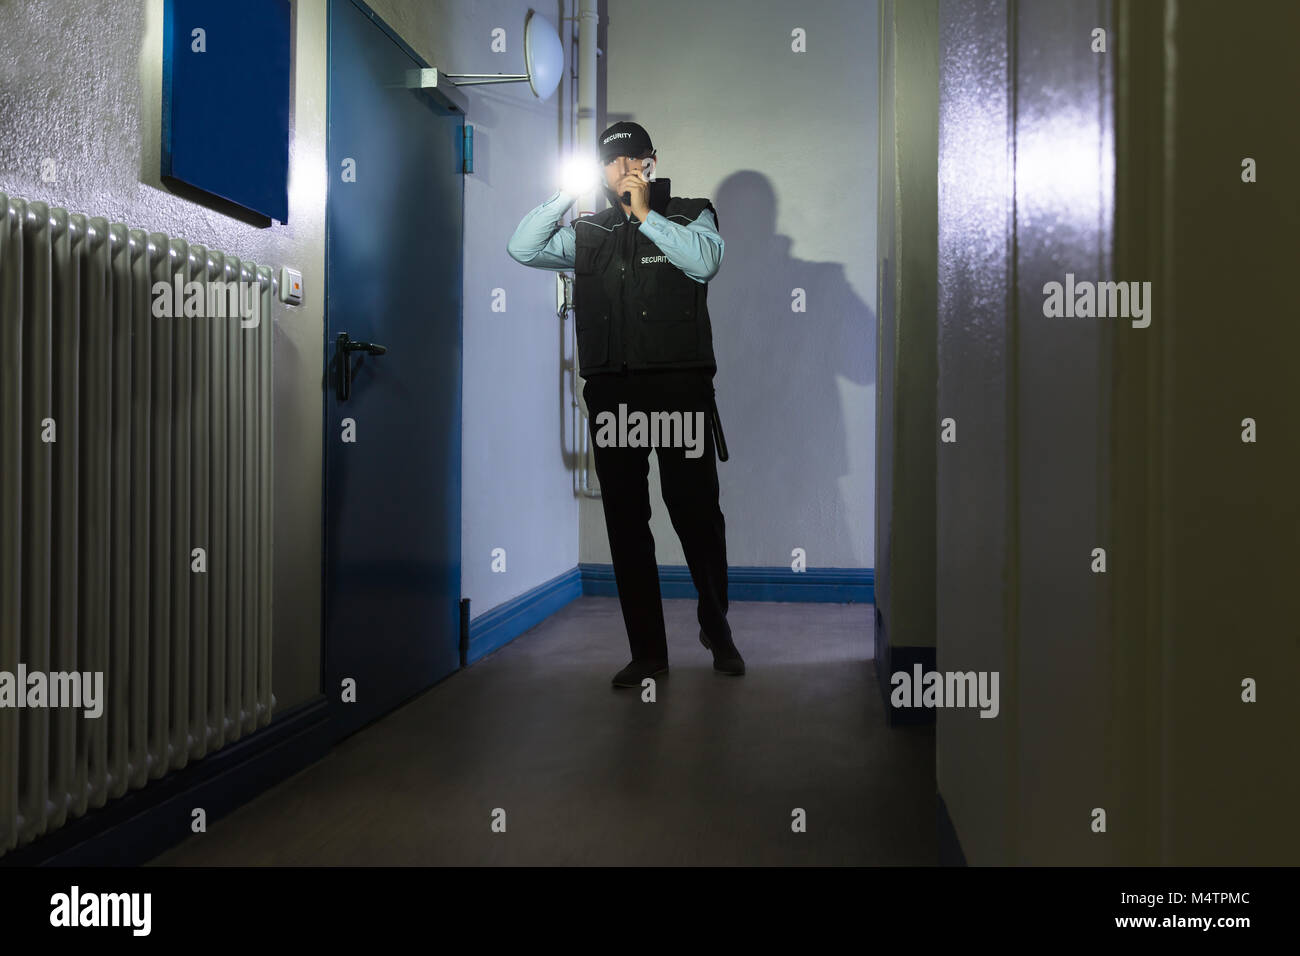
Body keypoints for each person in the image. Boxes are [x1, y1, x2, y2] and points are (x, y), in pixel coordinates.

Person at [507, 121, 745, 688]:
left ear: (650, 161)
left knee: (696, 514)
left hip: (679, 390)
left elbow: (705, 263)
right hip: (614, 394)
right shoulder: (589, 230)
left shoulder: (690, 213)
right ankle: (648, 653)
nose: (622, 169)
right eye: (611, 161)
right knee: (626, 521)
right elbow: (523, 247)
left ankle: (717, 627)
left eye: (632, 158)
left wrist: (645, 215)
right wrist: (567, 193)